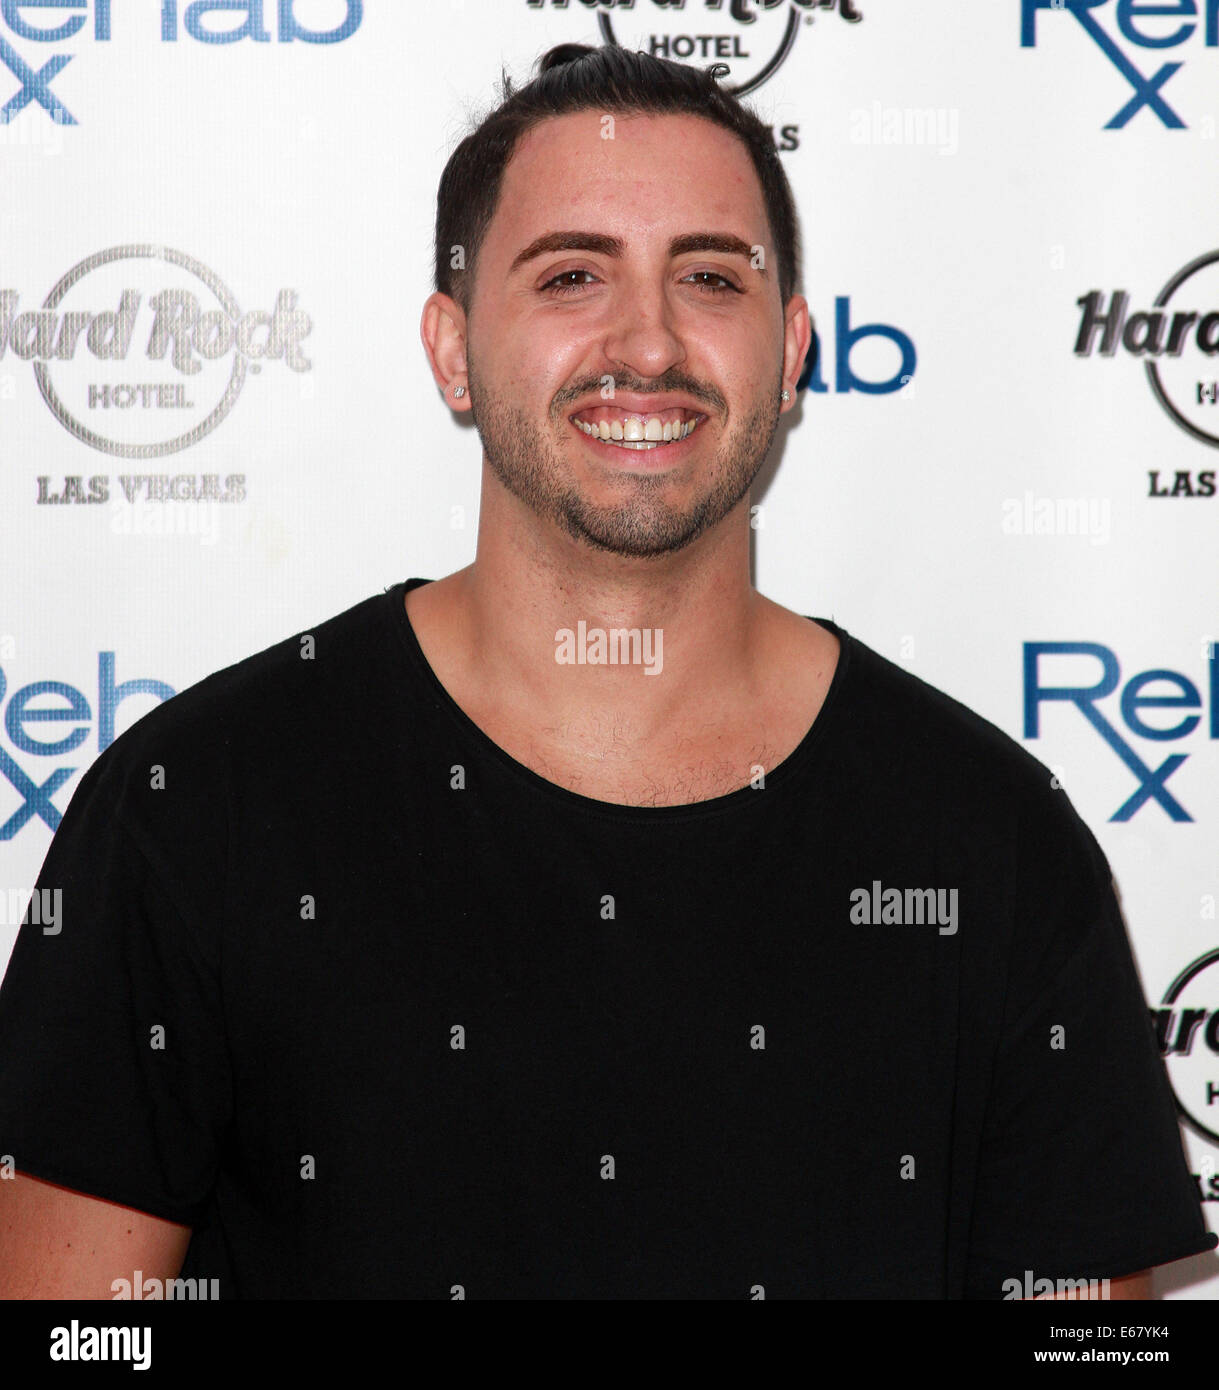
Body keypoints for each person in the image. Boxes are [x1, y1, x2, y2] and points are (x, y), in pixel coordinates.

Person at [0, 44, 1213, 1301]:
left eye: (709, 276)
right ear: (452, 348)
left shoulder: (989, 839)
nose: (648, 340)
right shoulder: (200, 808)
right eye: (573, 275)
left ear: (791, 348)